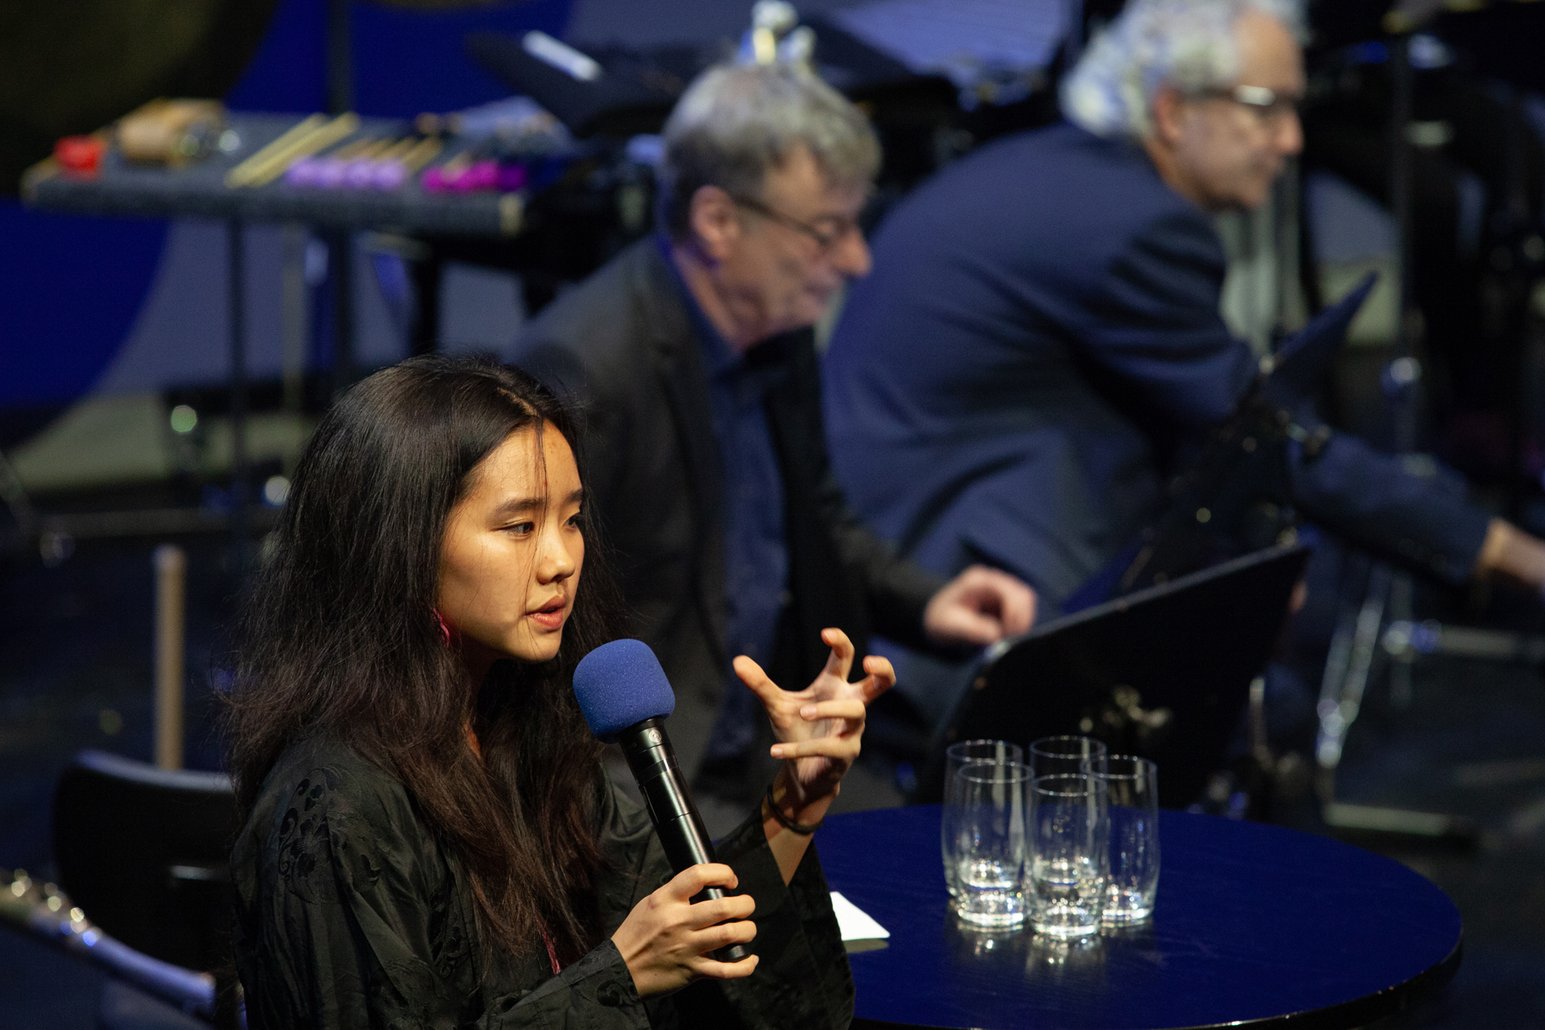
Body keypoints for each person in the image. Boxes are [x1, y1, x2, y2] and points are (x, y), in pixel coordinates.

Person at [821, 0, 1545, 727]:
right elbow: (1266, 435)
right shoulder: (1130, 226)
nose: (1291, 140)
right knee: (1257, 714)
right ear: (1171, 110)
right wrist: (1499, 548)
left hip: (936, 533)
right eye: (1266, 109)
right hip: (950, 593)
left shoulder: (1064, 173)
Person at [222, 355, 889, 1028]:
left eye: (570, 519)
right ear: (402, 544)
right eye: (519, 526)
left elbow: (697, 942)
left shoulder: (518, 725)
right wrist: (621, 977)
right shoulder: (335, 804)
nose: (561, 560)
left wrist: (791, 806)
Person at [507, 62, 1036, 802]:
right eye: (828, 231)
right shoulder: (584, 367)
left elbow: (821, 522)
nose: (856, 261)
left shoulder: (776, 332)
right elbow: (529, 635)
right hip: (646, 777)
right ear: (718, 221)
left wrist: (926, 602)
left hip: (769, 741)